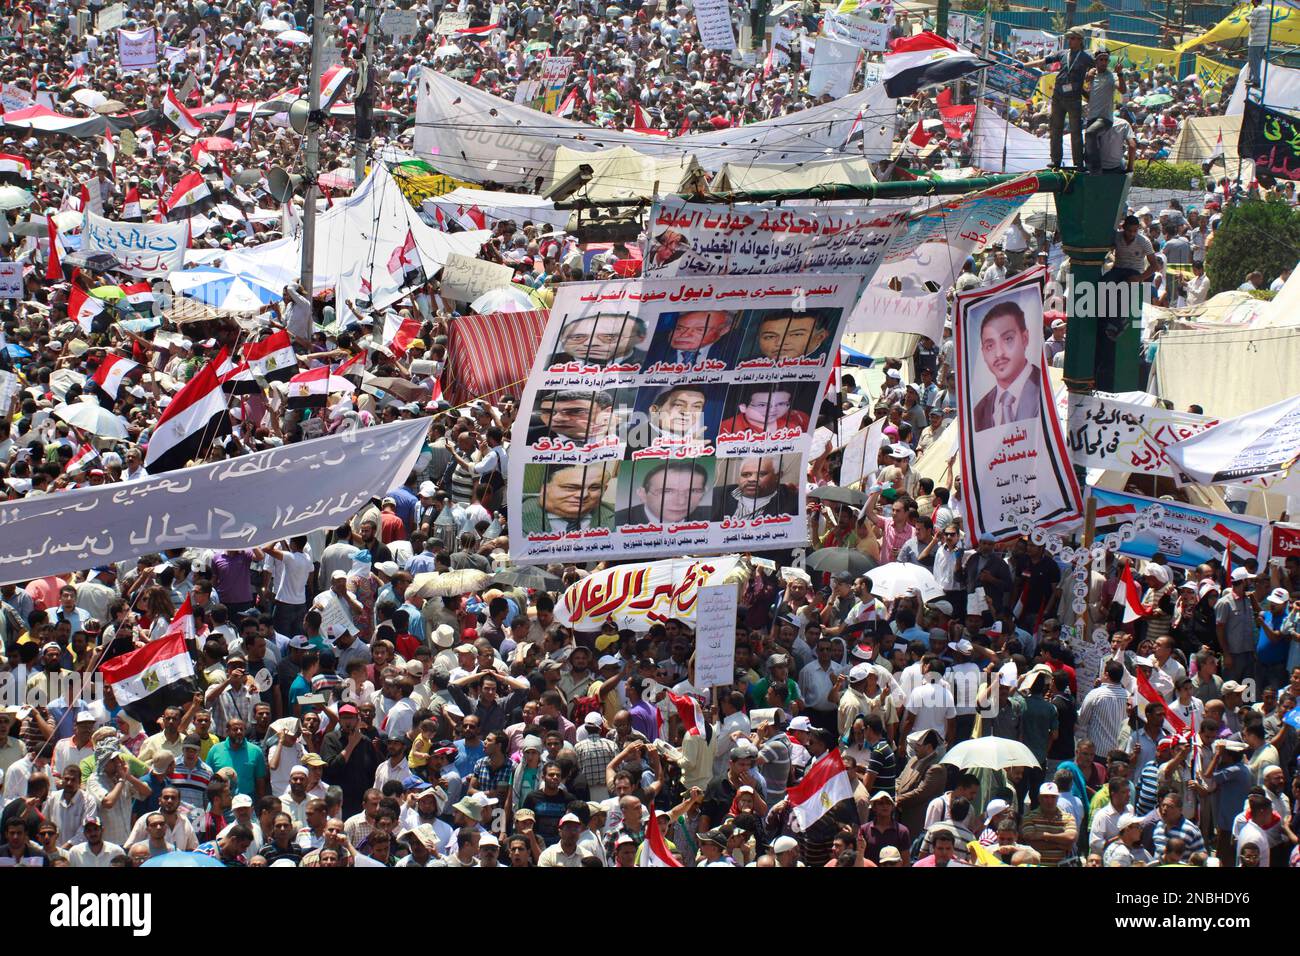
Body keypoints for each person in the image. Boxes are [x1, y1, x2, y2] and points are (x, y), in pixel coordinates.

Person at [971, 300, 1043, 432]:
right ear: (983, 353)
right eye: (990, 346)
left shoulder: (1045, 390)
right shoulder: (979, 411)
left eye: (1008, 339)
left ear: (1025, 338)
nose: (999, 353)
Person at [1032, 28, 1093, 168]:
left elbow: (1095, 67)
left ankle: (1078, 163)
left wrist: (1091, 71)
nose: (1069, 41)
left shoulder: (1085, 56)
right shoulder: (1062, 53)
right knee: (1055, 130)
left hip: (1074, 99)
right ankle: (1055, 160)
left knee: (1076, 132)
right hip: (1058, 97)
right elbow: (1043, 61)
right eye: (1069, 38)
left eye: (1072, 38)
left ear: (1080, 40)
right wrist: (1022, 65)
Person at [520, 463, 618, 534]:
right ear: (546, 489)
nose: (583, 495)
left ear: (604, 490)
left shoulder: (617, 517)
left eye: (594, 487)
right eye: (571, 487)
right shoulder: (520, 513)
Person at [616, 461, 713, 525]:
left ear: (704, 492)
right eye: (667, 491)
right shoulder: (620, 521)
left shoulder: (712, 515)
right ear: (643, 494)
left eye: (692, 491)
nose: (681, 502)